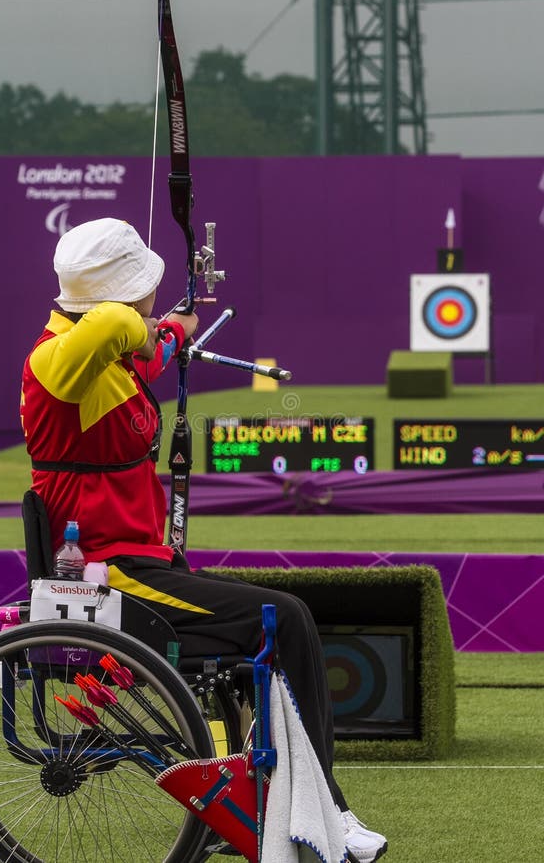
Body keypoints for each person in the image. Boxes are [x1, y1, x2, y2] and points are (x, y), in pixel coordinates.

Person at [20, 217, 388, 863]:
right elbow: (113, 332)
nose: (148, 302)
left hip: (142, 562)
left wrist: (174, 330)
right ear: (109, 299)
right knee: (289, 621)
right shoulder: (55, 362)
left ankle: (269, 803)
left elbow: (143, 350)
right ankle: (325, 810)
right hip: (111, 575)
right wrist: (139, 321)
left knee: (274, 624)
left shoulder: (98, 356)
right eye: (141, 290)